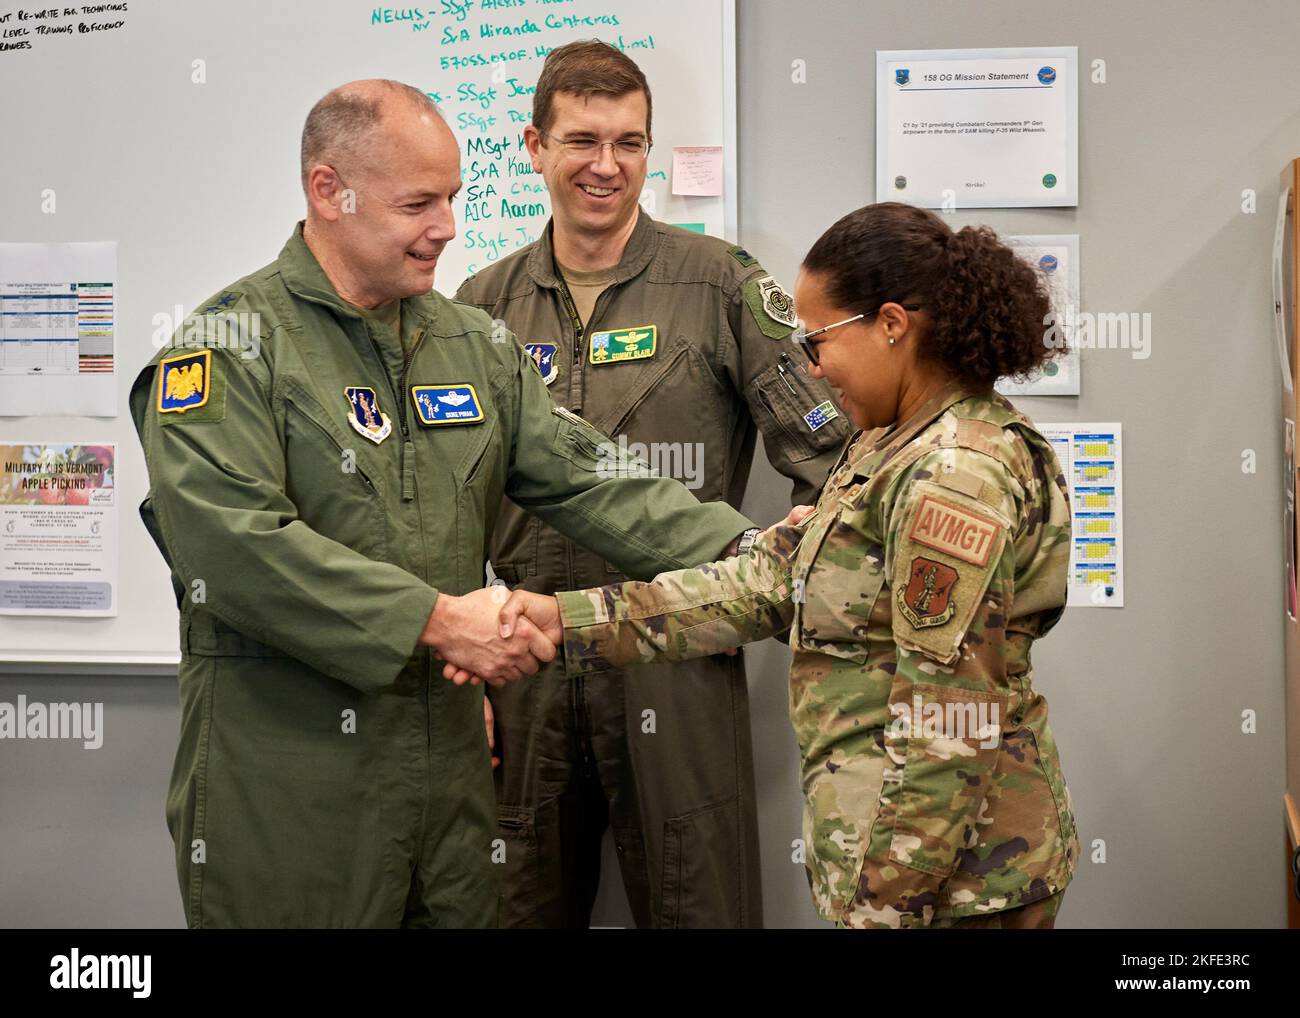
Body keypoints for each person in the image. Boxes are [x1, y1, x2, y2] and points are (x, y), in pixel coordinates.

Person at [127, 80, 761, 928]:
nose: (448, 227)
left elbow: (591, 478)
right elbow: (233, 550)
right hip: (293, 795)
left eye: (454, 197)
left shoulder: (469, 343)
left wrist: (753, 550)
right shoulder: (229, 349)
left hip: (452, 794)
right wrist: (432, 619)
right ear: (329, 191)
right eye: (417, 203)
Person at [481, 202, 1081, 928]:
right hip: (897, 868)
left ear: (891, 324)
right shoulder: (887, 444)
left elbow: (947, 724)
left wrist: (882, 908)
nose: (809, 365)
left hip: (950, 890)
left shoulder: (951, 477)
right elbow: (764, 584)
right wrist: (563, 620)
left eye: (818, 339)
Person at [454, 41, 849, 929]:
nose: (607, 166)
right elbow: (444, 500)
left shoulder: (720, 285)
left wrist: (767, 589)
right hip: (523, 664)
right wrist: (461, 666)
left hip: (673, 657)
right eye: (583, 141)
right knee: (511, 909)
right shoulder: (478, 306)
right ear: (534, 146)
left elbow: (836, 468)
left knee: (697, 906)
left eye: (630, 143)